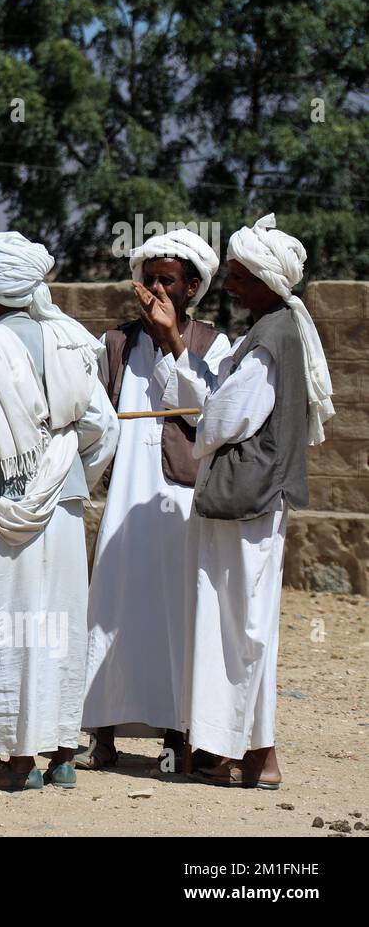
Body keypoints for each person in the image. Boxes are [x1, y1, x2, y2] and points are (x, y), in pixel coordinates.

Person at [144, 213, 333, 790]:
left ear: (261, 280)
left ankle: (257, 753)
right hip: (246, 502)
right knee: (239, 624)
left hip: (246, 501)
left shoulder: (271, 336)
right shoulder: (272, 331)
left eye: (236, 275)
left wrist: (204, 415)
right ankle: (238, 751)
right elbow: (218, 402)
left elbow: (225, 416)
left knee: (241, 627)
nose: (227, 285)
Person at [0, 231, 118, 791]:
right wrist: (69, 468)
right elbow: (101, 427)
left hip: (1, 505)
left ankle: (15, 762)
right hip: (61, 508)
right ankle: (61, 752)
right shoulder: (72, 341)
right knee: (55, 624)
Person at [79, 229, 231, 771]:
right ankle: (102, 731)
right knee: (112, 605)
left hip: (179, 502)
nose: (156, 290)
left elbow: (205, 416)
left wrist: (173, 342)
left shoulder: (217, 346)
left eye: (168, 281)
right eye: (149, 279)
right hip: (125, 501)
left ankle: (176, 733)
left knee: (177, 611)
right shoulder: (115, 344)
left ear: (192, 288)